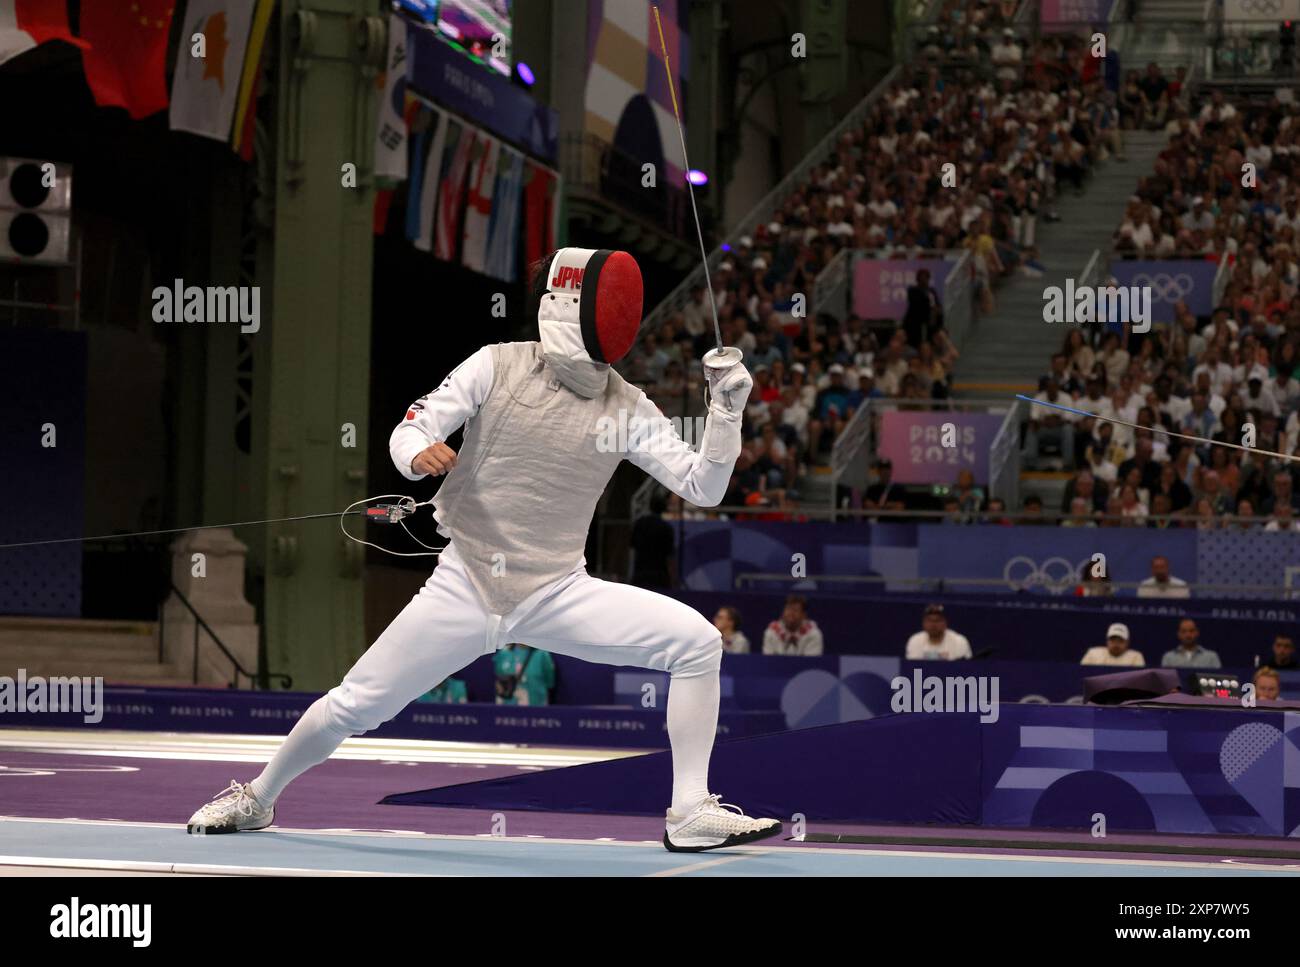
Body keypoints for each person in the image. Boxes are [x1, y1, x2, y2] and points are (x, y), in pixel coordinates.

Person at [186, 247, 780, 852]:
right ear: (570, 306)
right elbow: (412, 427)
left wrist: (725, 412)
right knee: (354, 706)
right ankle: (258, 798)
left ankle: (689, 811)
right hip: (464, 584)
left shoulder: (625, 407)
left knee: (698, 643)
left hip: (556, 592)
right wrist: (417, 453)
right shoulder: (497, 365)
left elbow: (704, 487)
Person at [629, 491, 676, 589]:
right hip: (659, 576)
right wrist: (673, 579)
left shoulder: (640, 523)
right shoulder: (666, 527)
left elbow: (633, 546)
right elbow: (669, 557)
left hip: (640, 573)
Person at [904, 603, 972, 660]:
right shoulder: (915, 640)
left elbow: (966, 669)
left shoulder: (959, 641)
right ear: (923, 623)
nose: (933, 624)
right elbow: (912, 669)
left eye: (938, 620)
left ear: (945, 623)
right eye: (929, 620)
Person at [1080, 623, 1145, 666]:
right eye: (1113, 640)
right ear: (1107, 641)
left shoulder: (1136, 657)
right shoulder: (1093, 654)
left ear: (1127, 643)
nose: (1116, 644)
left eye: (1120, 641)